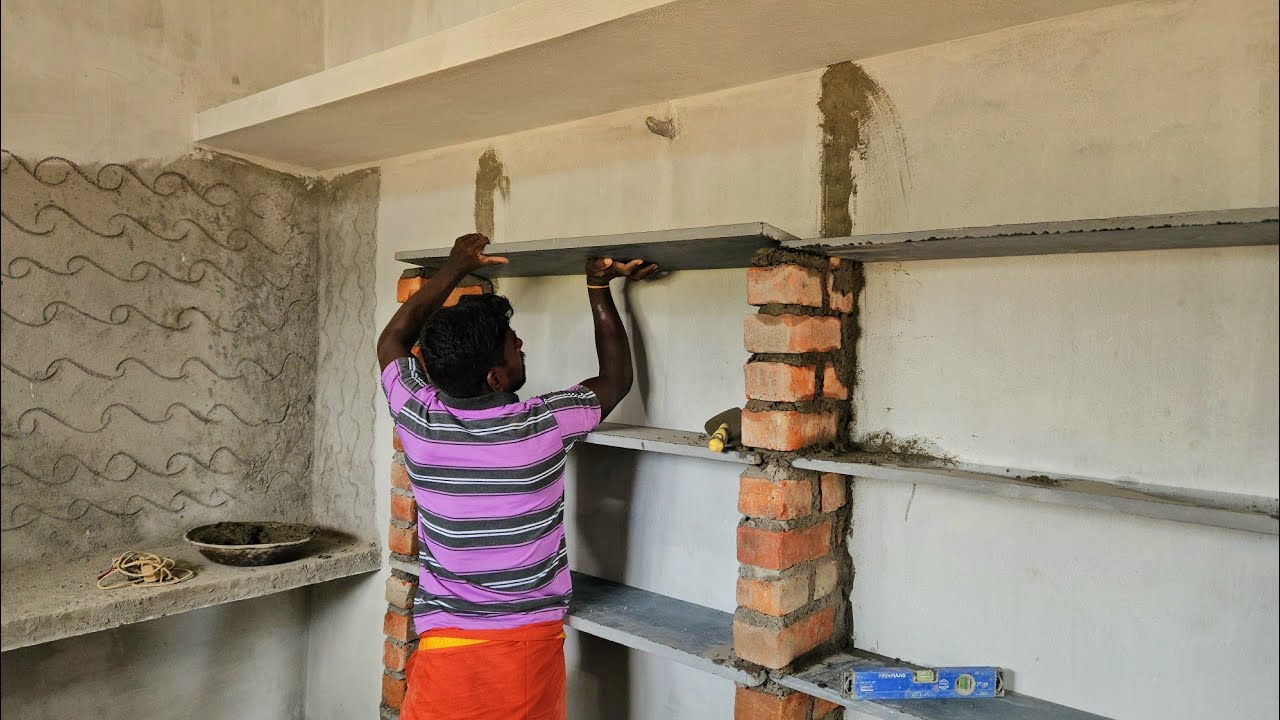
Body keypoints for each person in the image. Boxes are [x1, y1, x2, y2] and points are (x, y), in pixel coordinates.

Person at [376, 232, 658, 720]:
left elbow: (392, 340)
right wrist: (598, 287)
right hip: (522, 655)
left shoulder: (418, 419)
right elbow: (616, 378)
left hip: (442, 650)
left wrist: (454, 268)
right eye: (512, 345)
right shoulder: (543, 425)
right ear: (495, 378)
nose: (520, 345)